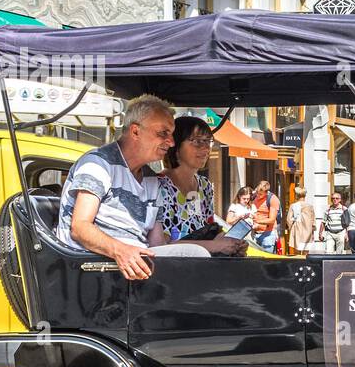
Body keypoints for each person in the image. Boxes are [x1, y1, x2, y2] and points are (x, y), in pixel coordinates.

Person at [55, 95, 212, 279]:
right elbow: (80, 227)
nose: (171, 142)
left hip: (134, 268)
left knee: (200, 259)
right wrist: (121, 251)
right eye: (163, 133)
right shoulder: (98, 164)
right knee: (198, 256)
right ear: (135, 132)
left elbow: (157, 244)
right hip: (94, 269)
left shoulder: (151, 180)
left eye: (171, 134)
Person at [155, 115, 248, 255]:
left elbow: (206, 230)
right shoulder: (160, 185)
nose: (205, 148)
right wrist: (215, 246)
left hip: (203, 267)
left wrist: (229, 243)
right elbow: (164, 245)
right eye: (197, 141)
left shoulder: (205, 186)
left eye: (208, 141)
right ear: (175, 145)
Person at [252, 180, 279, 253]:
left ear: (266, 193)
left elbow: (272, 220)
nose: (258, 195)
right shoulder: (254, 196)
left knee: (267, 261)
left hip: (267, 235)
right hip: (254, 233)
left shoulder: (273, 199)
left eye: (260, 194)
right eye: (257, 193)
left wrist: (256, 221)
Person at [287, 185, 316, 254]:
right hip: (308, 229)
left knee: (297, 250)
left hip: (297, 228)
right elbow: (313, 220)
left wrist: (291, 228)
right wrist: (313, 230)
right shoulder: (310, 206)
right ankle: (305, 264)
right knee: (306, 250)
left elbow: (289, 219)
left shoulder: (293, 206)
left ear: (296, 196)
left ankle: (298, 264)